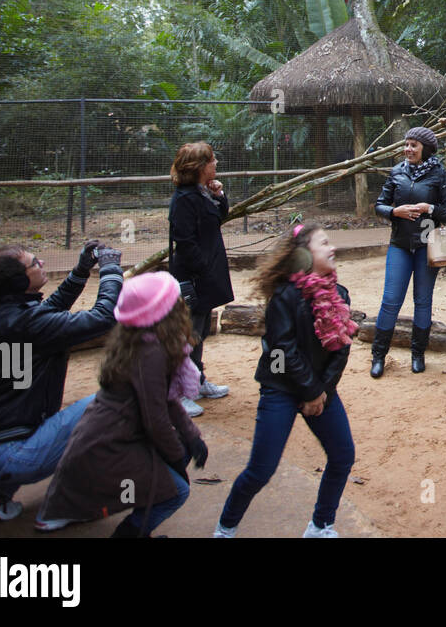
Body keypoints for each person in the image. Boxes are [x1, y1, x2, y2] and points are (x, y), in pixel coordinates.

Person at [0, 240, 123, 523]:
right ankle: (70, 504)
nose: (42, 263)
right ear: (19, 279)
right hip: (10, 455)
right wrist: (111, 272)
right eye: (34, 263)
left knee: (56, 422)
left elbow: (48, 312)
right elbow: (103, 318)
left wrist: (81, 272)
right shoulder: (29, 324)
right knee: (109, 405)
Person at [36, 272, 208, 537]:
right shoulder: (151, 353)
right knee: (177, 492)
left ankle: (145, 496)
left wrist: (192, 437)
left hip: (111, 436)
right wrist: (175, 461)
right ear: (165, 311)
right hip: (109, 446)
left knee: (183, 450)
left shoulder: (141, 339)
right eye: (177, 299)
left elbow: (167, 399)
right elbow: (156, 419)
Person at [214, 223, 357, 538]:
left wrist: (321, 391)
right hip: (280, 388)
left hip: (320, 387)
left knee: (343, 454)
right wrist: (311, 391)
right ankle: (225, 528)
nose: (332, 248)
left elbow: (342, 348)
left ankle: (321, 525)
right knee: (261, 470)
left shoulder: (340, 294)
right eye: (325, 243)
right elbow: (283, 351)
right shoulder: (285, 296)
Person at [371, 126, 446, 378]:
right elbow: (379, 205)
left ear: (425, 149)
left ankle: (418, 354)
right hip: (399, 245)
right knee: (390, 301)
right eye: (406, 144)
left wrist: (429, 208)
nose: (408, 149)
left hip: (427, 248)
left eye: (413, 145)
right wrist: (393, 212)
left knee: (422, 301)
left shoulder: (439, 174)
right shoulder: (396, 172)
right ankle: (378, 357)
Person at [168, 141, 233, 417]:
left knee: (201, 330)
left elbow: (219, 218)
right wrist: (202, 272)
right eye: (212, 160)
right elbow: (185, 241)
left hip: (206, 275)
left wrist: (218, 194)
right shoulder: (183, 200)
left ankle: (198, 380)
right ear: (199, 167)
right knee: (188, 334)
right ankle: (178, 392)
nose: (216, 164)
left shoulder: (201, 192)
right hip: (193, 278)